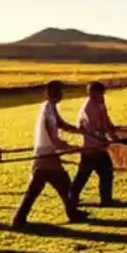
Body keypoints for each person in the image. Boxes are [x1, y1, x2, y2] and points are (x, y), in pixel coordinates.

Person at [11, 81, 91, 229]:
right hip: (46, 155)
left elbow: (61, 124)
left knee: (62, 184)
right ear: (52, 93)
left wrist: (79, 131)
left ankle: (72, 212)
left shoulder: (50, 108)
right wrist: (70, 147)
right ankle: (19, 219)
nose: (61, 94)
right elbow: (52, 136)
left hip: (47, 154)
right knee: (41, 188)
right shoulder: (48, 110)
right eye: (59, 91)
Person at [69, 82, 120, 207]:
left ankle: (74, 197)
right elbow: (93, 129)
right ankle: (72, 197)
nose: (102, 96)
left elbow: (105, 120)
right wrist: (107, 138)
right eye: (100, 93)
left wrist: (113, 133)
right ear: (92, 93)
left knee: (99, 173)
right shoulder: (88, 108)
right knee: (91, 174)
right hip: (91, 147)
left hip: (98, 147)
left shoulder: (100, 103)